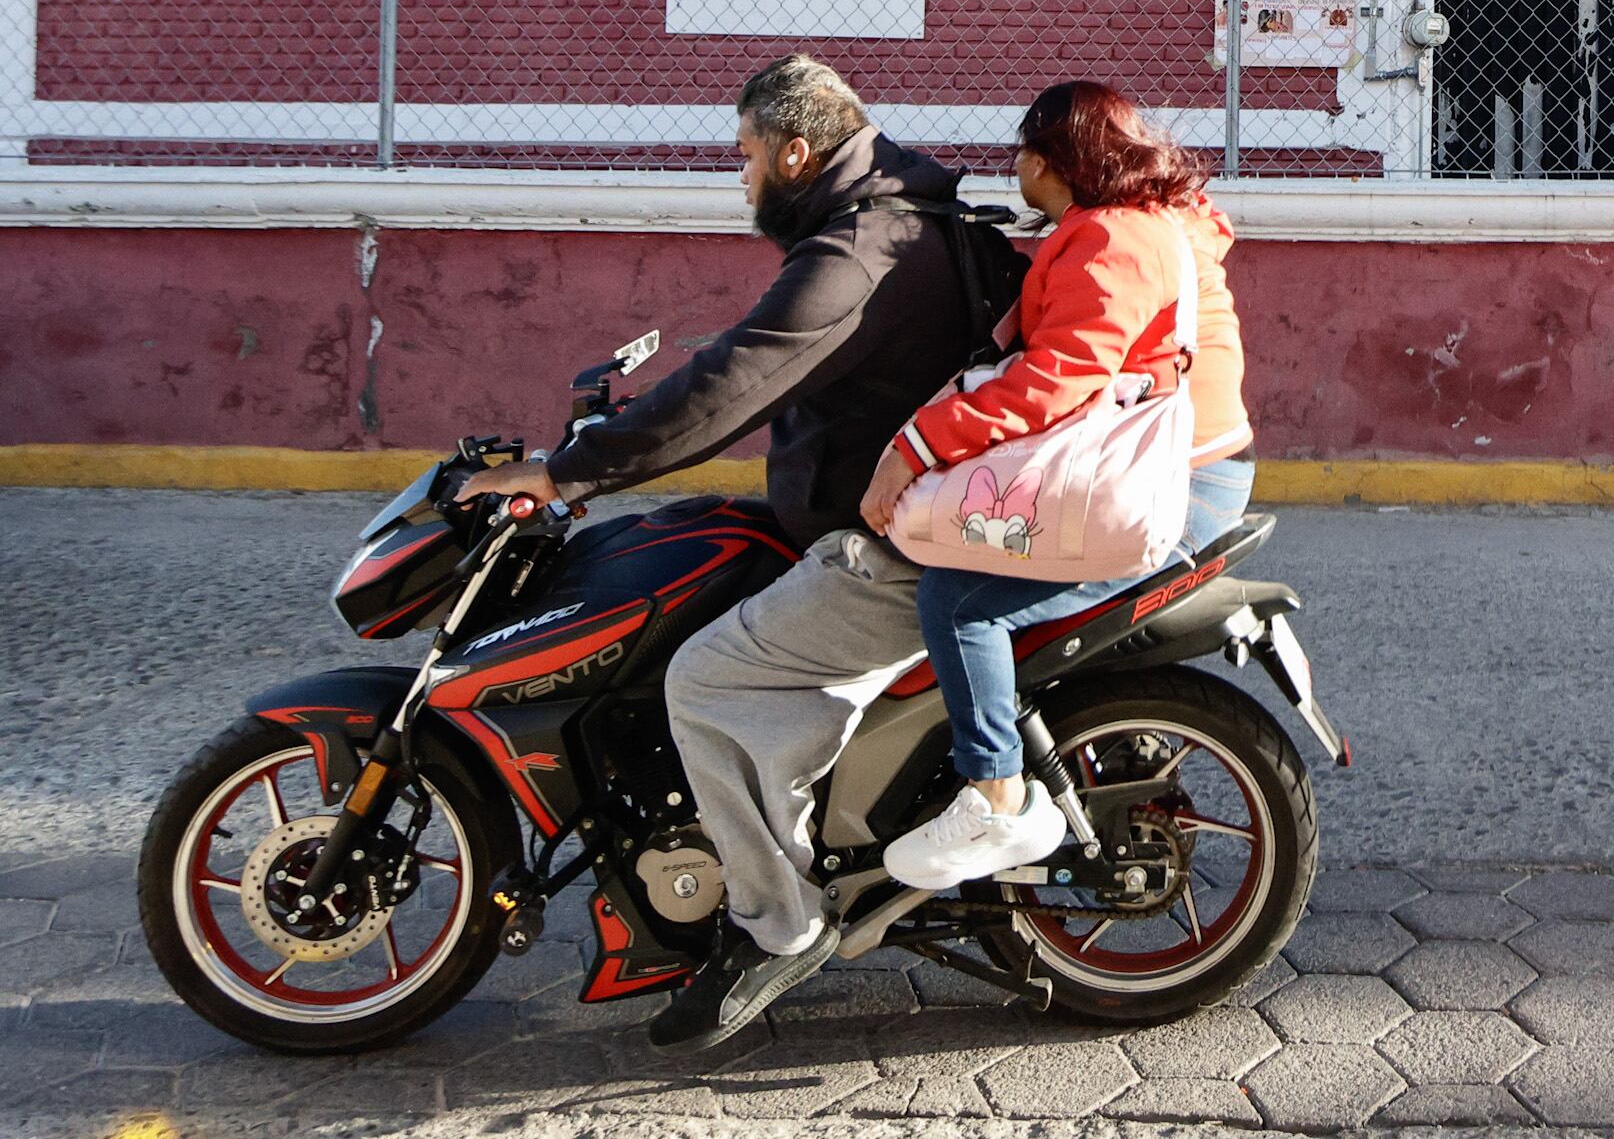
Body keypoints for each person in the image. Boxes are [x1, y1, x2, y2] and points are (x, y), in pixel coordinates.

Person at [455, 52, 982, 1052]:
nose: (740, 176)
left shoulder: (856, 249)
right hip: (873, 518)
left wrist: (566, 474)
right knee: (689, 550)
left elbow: (731, 382)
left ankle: (779, 925)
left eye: (745, 155)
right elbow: (753, 353)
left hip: (893, 549)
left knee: (701, 678)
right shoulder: (889, 212)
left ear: (795, 153)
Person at [867, 81, 1256, 890]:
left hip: (1167, 488)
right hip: (1180, 470)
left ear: (1052, 161)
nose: (1015, 168)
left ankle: (996, 797)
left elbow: (1055, 382)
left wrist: (917, 444)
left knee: (958, 600)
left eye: (1023, 152)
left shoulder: (1116, 238)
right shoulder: (1143, 220)